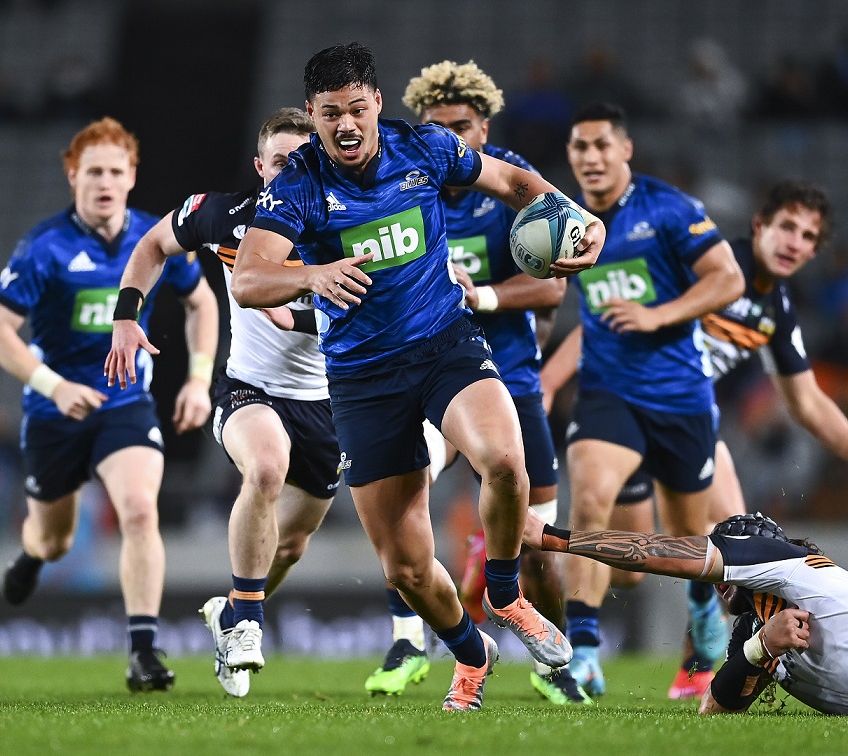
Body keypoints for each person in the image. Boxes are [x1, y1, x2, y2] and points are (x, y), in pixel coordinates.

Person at [227, 43, 604, 712]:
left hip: (443, 344)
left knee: (505, 460)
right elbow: (251, 278)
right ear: (313, 117)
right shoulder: (299, 186)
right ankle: (469, 652)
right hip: (362, 378)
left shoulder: (426, 148)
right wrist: (310, 274)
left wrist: (570, 219)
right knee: (404, 566)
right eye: (330, 114)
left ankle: (507, 592)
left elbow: (517, 185)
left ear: (376, 105)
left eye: (357, 110)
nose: (345, 126)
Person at [542, 179, 848, 699]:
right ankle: (593, 647)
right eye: (787, 226)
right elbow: (603, 321)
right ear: (759, 226)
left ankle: (703, 667)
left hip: (690, 425)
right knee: (626, 571)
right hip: (629, 408)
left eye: (808, 236)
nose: (794, 242)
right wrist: (550, 381)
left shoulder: (774, 309)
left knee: (742, 548)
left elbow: (806, 402)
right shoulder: (705, 261)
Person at [358, 60, 588, 706]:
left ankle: (554, 664)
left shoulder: (505, 186)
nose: (452, 140)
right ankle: (409, 640)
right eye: (440, 129)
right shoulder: (405, 176)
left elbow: (553, 283)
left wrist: (479, 295)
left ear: (484, 128)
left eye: (463, 127)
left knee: (537, 543)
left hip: (508, 378)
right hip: (426, 374)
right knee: (403, 502)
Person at [0, 116, 218, 691]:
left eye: (116, 170)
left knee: (139, 509)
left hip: (124, 402)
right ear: (72, 176)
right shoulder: (45, 247)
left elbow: (204, 303)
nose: (104, 182)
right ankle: (34, 555)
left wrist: (197, 379)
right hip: (53, 411)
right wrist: (54, 386)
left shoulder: (155, 239)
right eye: (93, 172)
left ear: (132, 177)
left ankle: (143, 652)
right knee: (55, 540)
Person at [105, 109, 335, 698]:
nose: (292, 172)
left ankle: (232, 612)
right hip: (248, 388)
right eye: (281, 161)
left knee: (293, 543)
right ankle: (249, 627)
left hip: (328, 403)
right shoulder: (224, 215)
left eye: (303, 160)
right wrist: (127, 316)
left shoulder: (349, 222)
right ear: (261, 168)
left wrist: (303, 307)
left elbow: (378, 305)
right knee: (264, 466)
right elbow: (153, 245)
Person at [539, 101, 743, 700]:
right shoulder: (563, 222)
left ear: (625, 150)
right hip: (608, 393)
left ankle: (703, 606)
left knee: (683, 543)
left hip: (680, 398)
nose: (591, 157)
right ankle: (582, 656)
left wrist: (658, 315)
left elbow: (727, 279)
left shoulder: (669, 209)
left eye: (602, 145)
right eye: (580, 147)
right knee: (592, 502)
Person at [523, 510, 848, 720]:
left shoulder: (787, 566)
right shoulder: (755, 631)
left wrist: (555, 538)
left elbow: (660, 551)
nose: (717, 570)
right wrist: (763, 647)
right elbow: (716, 711)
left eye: (723, 550)